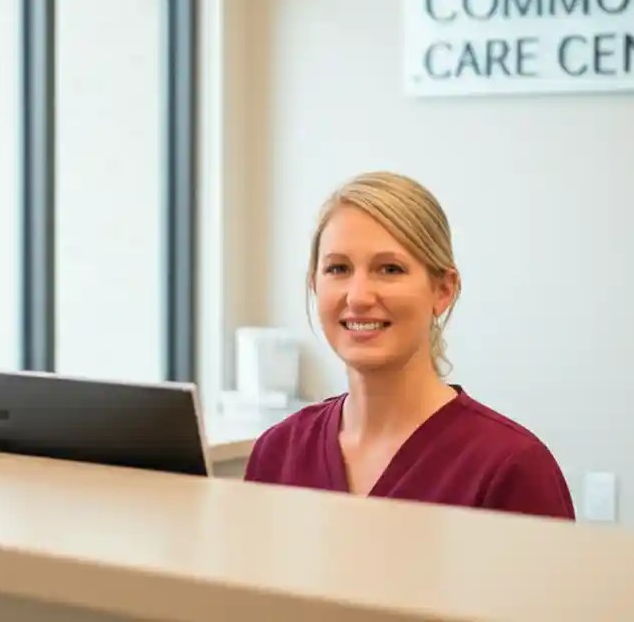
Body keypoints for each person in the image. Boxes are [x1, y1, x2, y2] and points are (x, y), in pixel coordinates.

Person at [244, 171, 574, 520]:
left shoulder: (511, 467)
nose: (358, 297)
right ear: (314, 284)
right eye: (338, 268)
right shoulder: (278, 453)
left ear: (443, 290)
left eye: (389, 269)